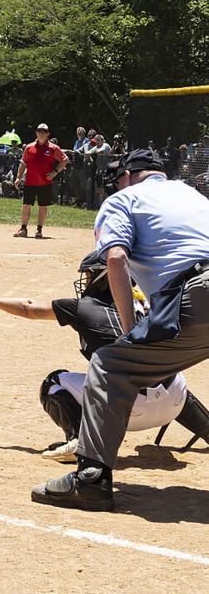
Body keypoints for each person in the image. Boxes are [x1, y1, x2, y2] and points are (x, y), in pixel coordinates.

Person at [32, 149, 209, 511]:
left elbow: (115, 258)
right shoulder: (192, 195)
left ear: (128, 175)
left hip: (197, 296)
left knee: (111, 366)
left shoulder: (123, 199)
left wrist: (129, 332)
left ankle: (91, 480)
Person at [0, 250, 208, 461]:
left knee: (53, 382)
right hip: (175, 403)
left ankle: (77, 441)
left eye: (88, 275)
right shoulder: (149, 299)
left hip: (127, 410)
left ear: (102, 277)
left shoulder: (82, 306)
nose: (85, 281)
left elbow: (29, 308)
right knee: (163, 368)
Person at [14, 123, 67, 238]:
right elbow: (23, 163)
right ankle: (23, 229)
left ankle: (39, 230)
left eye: (44, 131)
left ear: (48, 134)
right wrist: (18, 177)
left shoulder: (53, 148)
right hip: (30, 182)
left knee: (43, 206)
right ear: (36, 133)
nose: (41, 133)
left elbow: (64, 160)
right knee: (26, 205)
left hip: (45, 183)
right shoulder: (29, 147)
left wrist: (55, 172)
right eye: (39, 131)